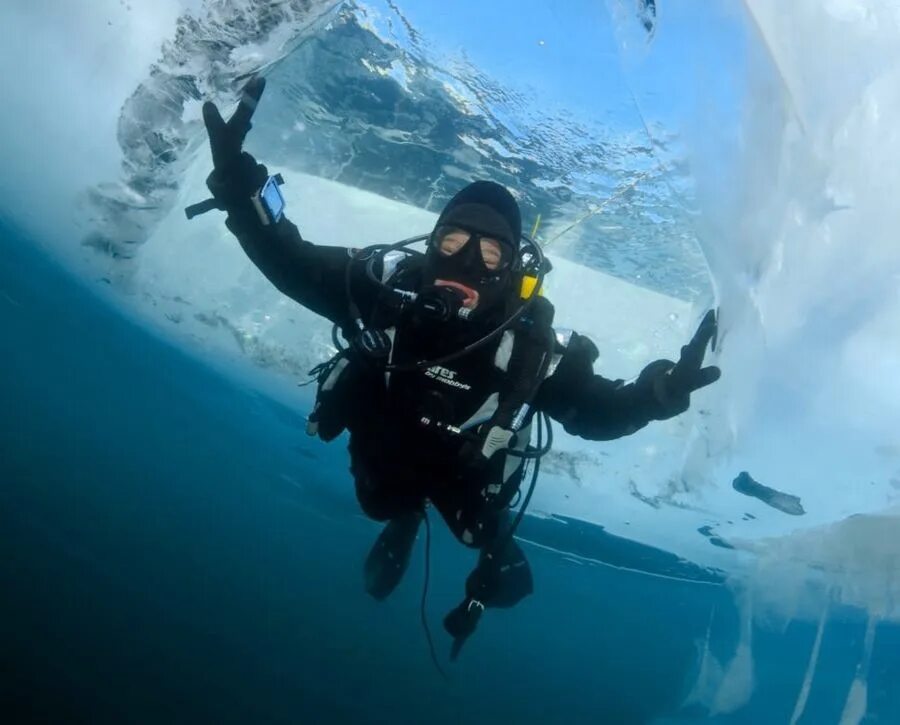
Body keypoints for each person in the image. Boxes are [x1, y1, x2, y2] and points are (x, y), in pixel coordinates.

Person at [190, 78, 721, 657]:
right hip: (385, 445)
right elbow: (290, 262)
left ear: (512, 270)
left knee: (494, 558)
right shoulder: (385, 287)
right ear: (430, 242)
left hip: (468, 473)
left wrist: (659, 393)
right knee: (378, 503)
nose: (467, 263)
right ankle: (404, 520)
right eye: (453, 242)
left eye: (490, 253)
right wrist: (241, 190)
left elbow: (597, 412)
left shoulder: (530, 347)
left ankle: (452, 538)